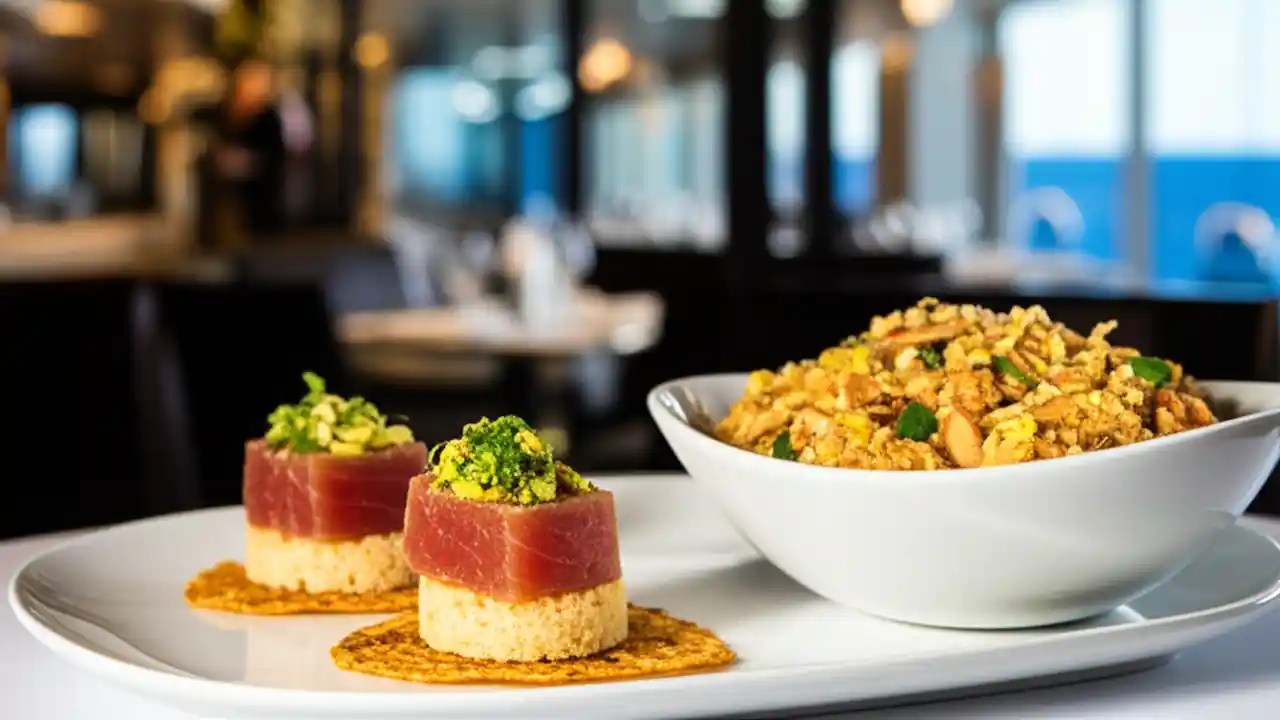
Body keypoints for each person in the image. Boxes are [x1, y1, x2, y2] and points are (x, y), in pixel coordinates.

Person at [214, 56, 287, 241]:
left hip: (261, 198)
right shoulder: (228, 114)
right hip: (230, 197)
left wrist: (249, 161)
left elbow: (275, 156)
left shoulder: (269, 117)